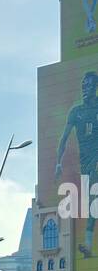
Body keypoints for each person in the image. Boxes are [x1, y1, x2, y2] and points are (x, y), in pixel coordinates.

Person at [55, 70, 98, 257]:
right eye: (83, 86)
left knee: (94, 199)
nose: (85, 89)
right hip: (85, 162)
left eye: (88, 85)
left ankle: (88, 244)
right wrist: (58, 163)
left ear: (95, 87)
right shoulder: (76, 112)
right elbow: (63, 139)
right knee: (91, 203)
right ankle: (88, 246)